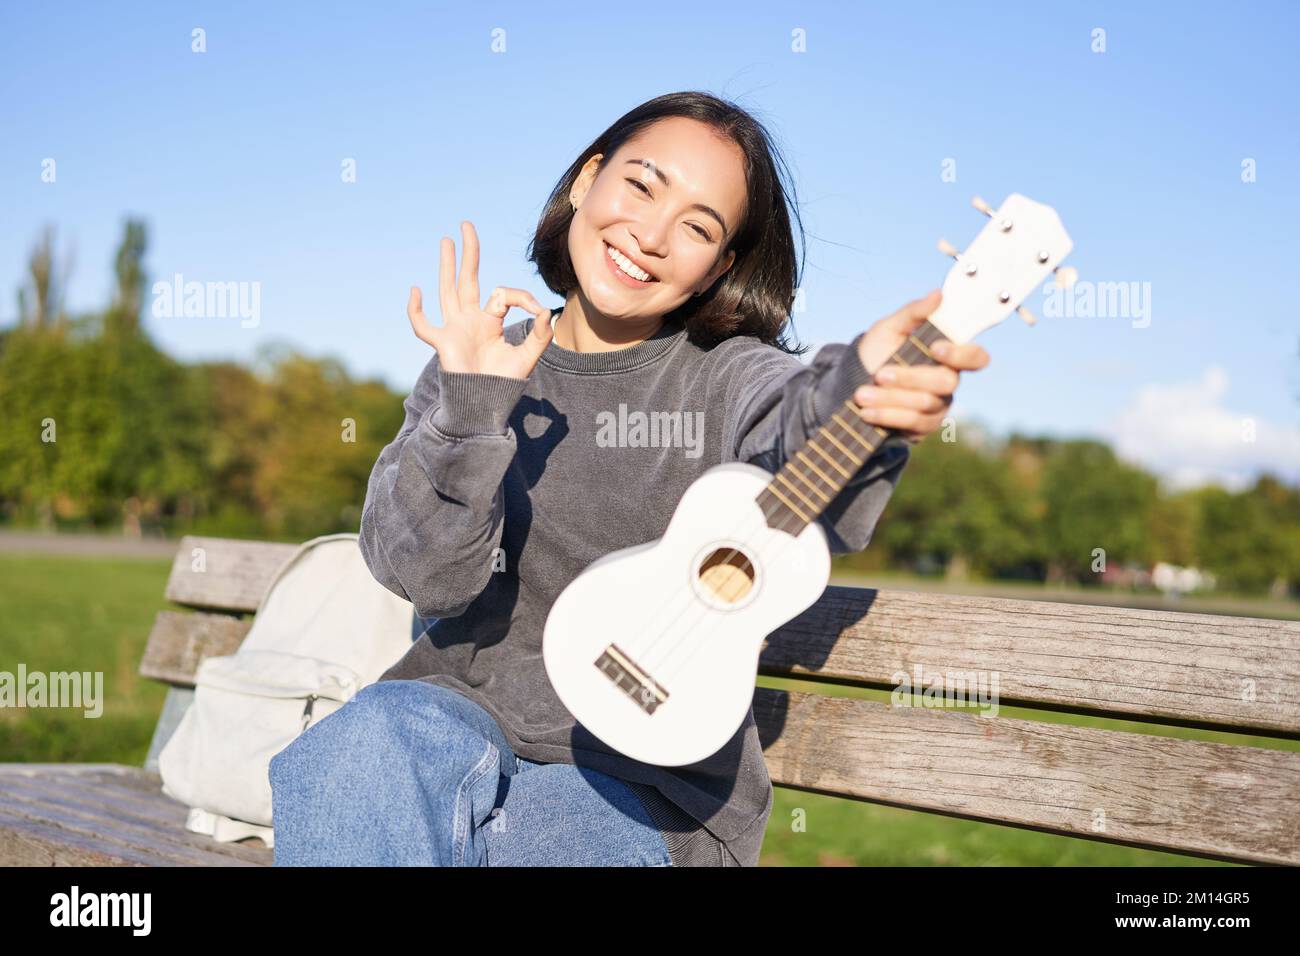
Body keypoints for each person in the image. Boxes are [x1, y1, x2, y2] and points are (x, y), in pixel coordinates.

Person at [268, 90, 989, 866]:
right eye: (642, 186)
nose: (650, 235)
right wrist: (472, 410)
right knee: (360, 745)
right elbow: (427, 580)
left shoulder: (727, 378)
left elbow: (798, 420)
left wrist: (862, 385)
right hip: (452, 722)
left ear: (723, 265)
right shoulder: (479, 359)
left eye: (699, 227)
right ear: (588, 180)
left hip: (637, 779)